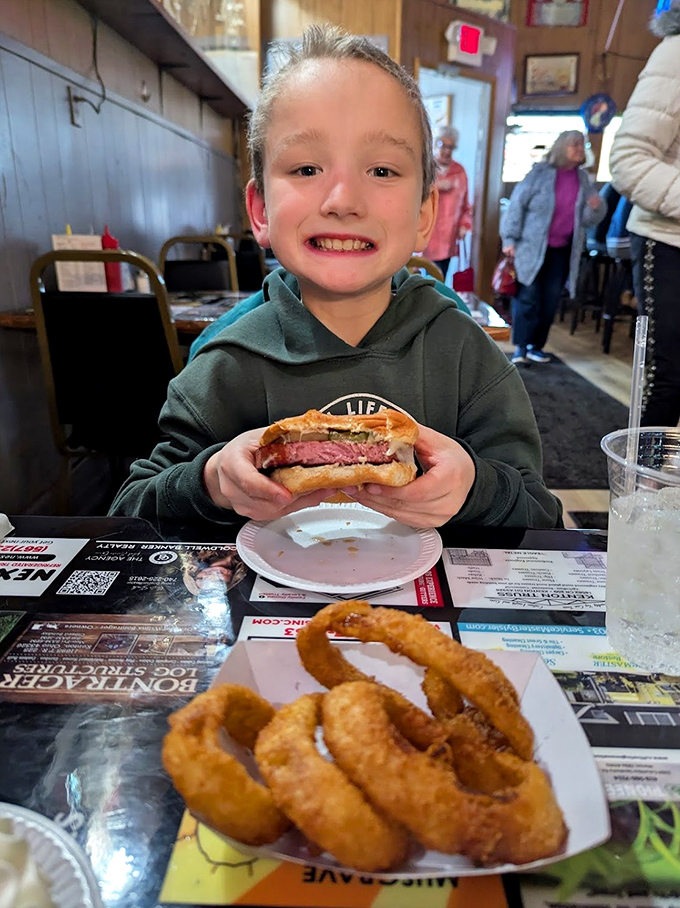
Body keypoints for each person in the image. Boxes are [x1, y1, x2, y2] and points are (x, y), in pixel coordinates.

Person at [109, 25, 562, 532]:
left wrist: (475, 487)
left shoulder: (466, 356)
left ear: (423, 213)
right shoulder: (226, 363)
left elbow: (539, 515)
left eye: (383, 171)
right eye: (305, 169)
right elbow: (131, 513)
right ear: (260, 210)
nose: (343, 200)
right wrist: (212, 479)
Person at [609, 1, 680, 428]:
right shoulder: (676, 52)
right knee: (670, 375)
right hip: (668, 237)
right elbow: (629, 159)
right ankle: (644, 490)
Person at [501, 130, 606, 365]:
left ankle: (537, 347)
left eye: (582, 144)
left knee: (549, 301)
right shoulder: (538, 174)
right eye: (574, 144)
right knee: (527, 297)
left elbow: (590, 220)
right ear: (561, 147)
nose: (580, 149)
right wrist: (509, 240)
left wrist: (595, 208)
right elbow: (516, 206)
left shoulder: (583, 180)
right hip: (530, 248)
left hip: (562, 251)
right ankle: (520, 348)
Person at [422, 126, 473, 283]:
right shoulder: (426, 167)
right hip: (426, 232)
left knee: (440, 276)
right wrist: (437, 186)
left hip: (448, 235)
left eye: (450, 146)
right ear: (435, 144)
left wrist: (465, 225)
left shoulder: (459, 171)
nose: (446, 150)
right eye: (442, 144)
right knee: (423, 275)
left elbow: (466, 205)